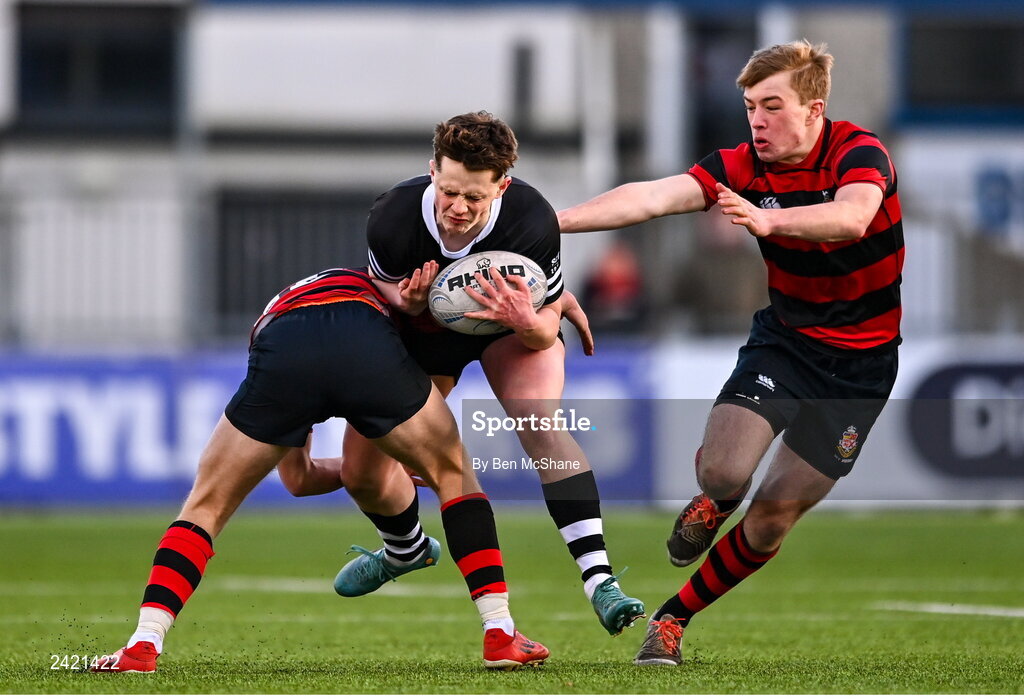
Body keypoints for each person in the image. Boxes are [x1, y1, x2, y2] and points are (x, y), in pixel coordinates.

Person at [557, 40, 903, 665]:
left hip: (862, 365)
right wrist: (551, 221)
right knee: (723, 473)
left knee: (772, 520)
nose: (757, 122)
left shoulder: (859, 150)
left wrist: (772, 222)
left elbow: (853, 218)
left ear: (814, 109)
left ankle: (672, 619)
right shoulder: (741, 166)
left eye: (772, 106)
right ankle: (715, 501)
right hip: (787, 343)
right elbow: (651, 197)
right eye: (749, 107)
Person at [278, 111, 645, 636]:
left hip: (511, 328)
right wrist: (406, 302)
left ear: (502, 185)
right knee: (362, 473)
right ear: (432, 170)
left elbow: (545, 328)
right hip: (426, 331)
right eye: (449, 191)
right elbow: (381, 299)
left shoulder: (530, 219)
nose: (458, 207)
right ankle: (403, 551)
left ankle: (601, 582)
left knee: (539, 423)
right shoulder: (394, 215)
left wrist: (527, 322)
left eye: (475, 196)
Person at [91, 266, 549, 672]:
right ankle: (500, 633)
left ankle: (143, 643)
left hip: (285, 349)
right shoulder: (372, 284)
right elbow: (419, 322)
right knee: (456, 477)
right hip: (361, 334)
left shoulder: (276, 313)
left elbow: (300, 479)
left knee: (204, 506)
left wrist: (352, 467)